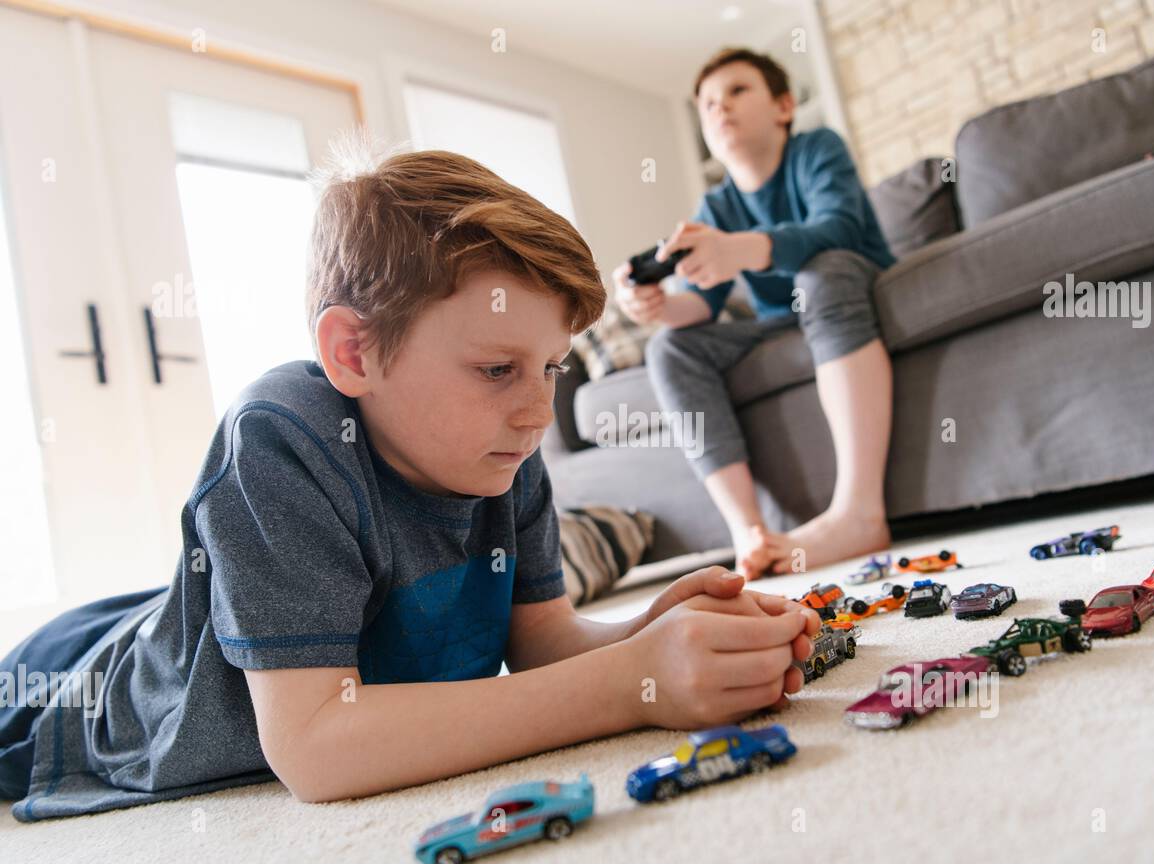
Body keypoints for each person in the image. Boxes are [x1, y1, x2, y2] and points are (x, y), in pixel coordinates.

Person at [0, 146, 821, 821]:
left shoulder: (505, 450)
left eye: (551, 367)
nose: (539, 410)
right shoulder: (277, 438)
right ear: (354, 353)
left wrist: (654, 628)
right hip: (75, 696)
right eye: (497, 368)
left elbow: (545, 651)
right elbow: (316, 746)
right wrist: (629, 689)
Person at [613, 47, 896, 580]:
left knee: (821, 271)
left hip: (848, 288)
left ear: (783, 105)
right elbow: (703, 304)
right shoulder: (716, 206)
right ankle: (750, 533)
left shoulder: (817, 149)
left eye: (737, 91)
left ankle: (860, 513)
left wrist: (742, 250)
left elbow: (837, 229)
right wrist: (657, 306)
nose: (720, 109)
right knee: (670, 347)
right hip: (782, 321)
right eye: (707, 105)